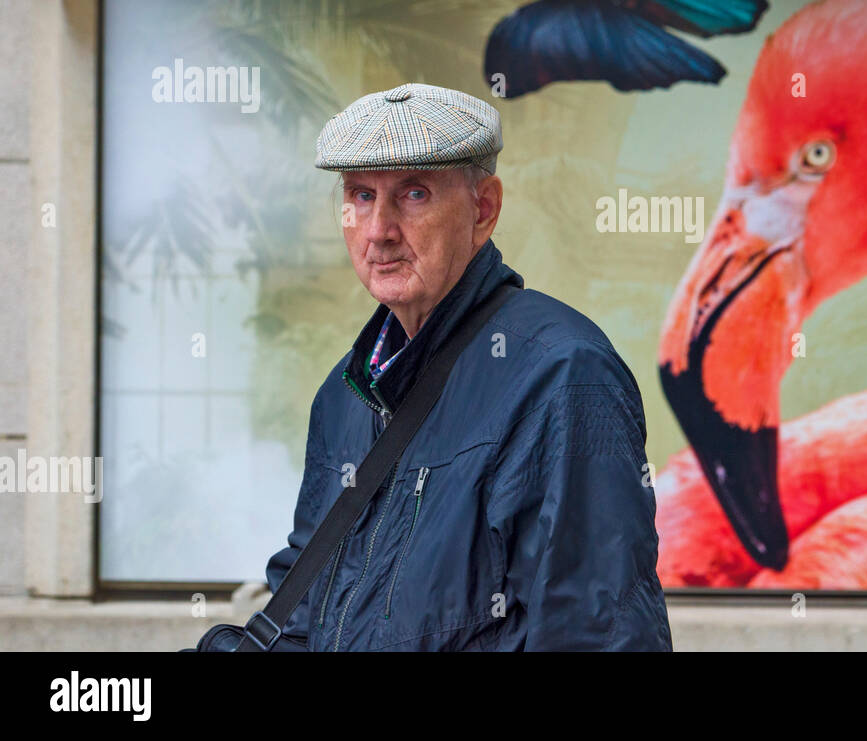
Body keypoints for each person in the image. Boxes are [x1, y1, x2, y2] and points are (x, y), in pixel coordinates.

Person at [195, 83, 672, 651]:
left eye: (414, 193)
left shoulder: (563, 377)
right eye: (361, 195)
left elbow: (597, 636)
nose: (378, 230)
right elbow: (301, 623)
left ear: (483, 209)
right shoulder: (345, 393)